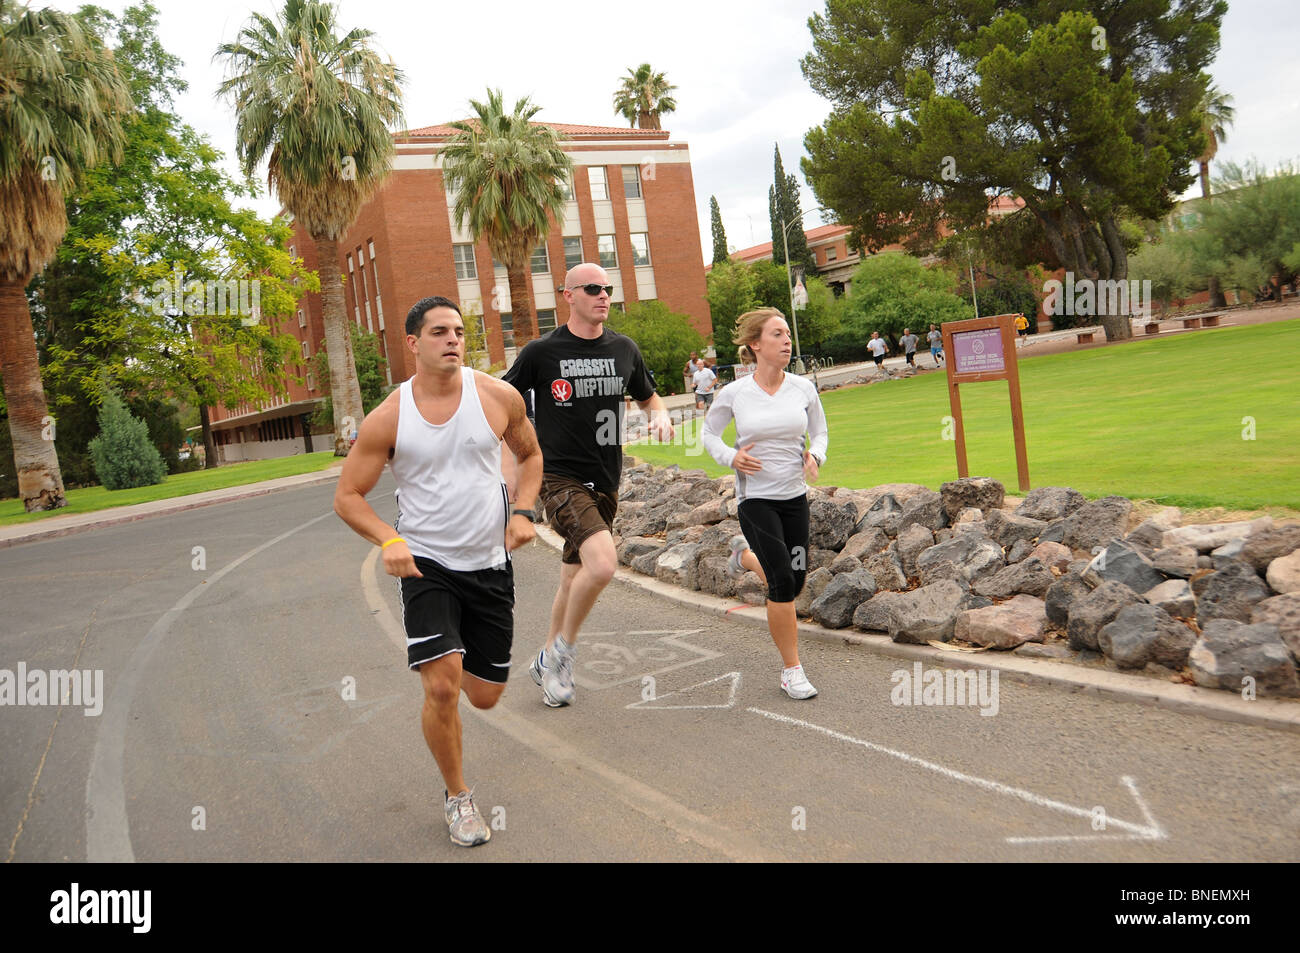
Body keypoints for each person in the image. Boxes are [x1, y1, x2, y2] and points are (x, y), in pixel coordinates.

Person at [334, 295, 542, 848]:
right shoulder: (389, 417)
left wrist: (523, 511)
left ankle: (476, 679)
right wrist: (390, 538)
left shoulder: (497, 397)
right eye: (439, 332)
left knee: (485, 695)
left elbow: (531, 456)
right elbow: (348, 496)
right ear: (413, 343)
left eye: (458, 330)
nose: (453, 339)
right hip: (427, 566)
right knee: (443, 686)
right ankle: (459, 798)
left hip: (489, 565)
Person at [503, 263, 674, 708]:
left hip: (607, 478)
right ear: (569, 295)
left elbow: (647, 393)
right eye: (594, 288)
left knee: (573, 576)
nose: (604, 295)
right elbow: (502, 401)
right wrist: (512, 469)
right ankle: (563, 653)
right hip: (559, 476)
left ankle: (545, 658)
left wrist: (658, 413)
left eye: (608, 289)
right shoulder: (541, 352)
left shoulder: (624, 348)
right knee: (601, 566)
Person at [702, 308, 828, 700]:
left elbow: (820, 432)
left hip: (794, 496)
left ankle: (744, 559)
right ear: (755, 344)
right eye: (777, 334)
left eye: (788, 334)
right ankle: (792, 670)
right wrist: (731, 458)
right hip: (755, 498)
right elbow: (708, 433)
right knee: (781, 584)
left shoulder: (802, 388)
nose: (786, 340)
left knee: (796, 579)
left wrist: (815, 457)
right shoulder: (735, 393)